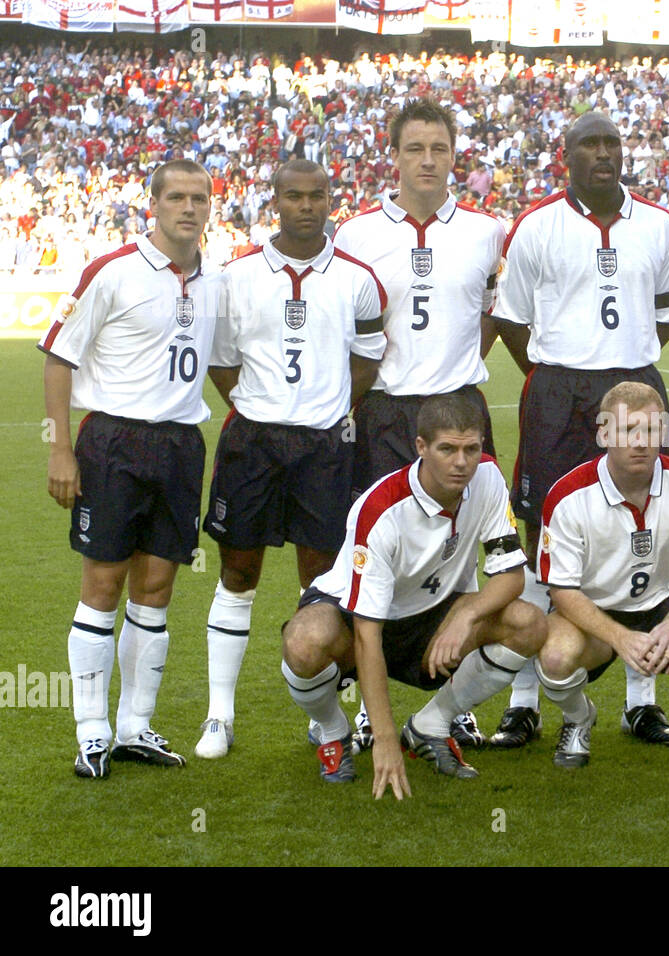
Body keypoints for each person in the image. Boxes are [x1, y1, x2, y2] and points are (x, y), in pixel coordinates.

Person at [492, 111, 669, 748]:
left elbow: (665, 318)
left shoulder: (659, 225)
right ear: (566, 154)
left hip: (634, 384)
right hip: (556, 390)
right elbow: (513, 322)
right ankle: (524, 699)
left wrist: (621, 362)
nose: (603, 154)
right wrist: (559, 374)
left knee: (648, 529)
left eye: (612, 143)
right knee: (543, 535)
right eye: (589, 145)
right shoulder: (535, 226)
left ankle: (642, 696)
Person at [194, 160, 387, 759]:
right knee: (238, 575)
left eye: (317, 195)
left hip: (325, 450)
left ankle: (326, 711)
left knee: (323, 582)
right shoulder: (236, 277)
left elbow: (368, 359)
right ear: (274, 200)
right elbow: (221, 361)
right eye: (293, 196)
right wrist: (261, 406)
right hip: (252, 443)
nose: (306, 206)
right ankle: (219, 716)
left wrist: (326, 408)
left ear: (331, 199)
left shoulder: (357, 278)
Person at [41, 159, 225, 778]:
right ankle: (91, 731)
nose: (189, 208)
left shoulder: (215, 280)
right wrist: (60, 448)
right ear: (154, 204)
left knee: (155, 592)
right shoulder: (113, 271)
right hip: (113, 444)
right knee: (102, 586)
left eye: (200, 198)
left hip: (179, 447)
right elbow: (58, 358)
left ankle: (134, 728)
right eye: (177, 197)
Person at [333, 99, 506, 752]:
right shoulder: (354, 234)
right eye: (415, 149)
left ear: (454, 156)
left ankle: (450, 705)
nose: (428, 160)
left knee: (461, 556)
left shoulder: (486, 232)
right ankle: (359, 705)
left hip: (460, 406)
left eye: (439, 148)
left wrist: (459, 367)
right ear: (395, 155)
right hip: (386, 413)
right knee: (375, 555)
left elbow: (492, 314)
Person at [279, 391, 547, 797]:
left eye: (471, 448)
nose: (462, 462)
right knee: (304, 642)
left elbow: (510, 574)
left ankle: (430, 726)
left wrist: (466, 615)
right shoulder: (381, 510)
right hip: (355, 619)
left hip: (433, 615)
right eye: (447, 449)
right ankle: (333, 732)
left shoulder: (488, 477)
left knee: (529, 623)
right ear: (421, 448)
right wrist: (384, 740)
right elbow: (369, 637)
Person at [534, 383, 669, 772]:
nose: (640, 442)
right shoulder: (567, 496)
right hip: (595, 614)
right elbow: (562, 590)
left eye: (650, 430)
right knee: (555, 654)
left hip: (663, 608)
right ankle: (579, 719)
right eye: (626, 430)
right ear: (603, 435)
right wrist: (620, 637)